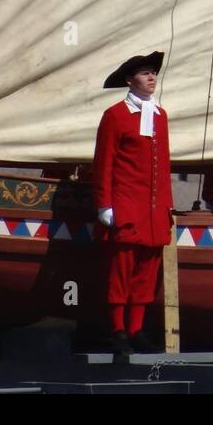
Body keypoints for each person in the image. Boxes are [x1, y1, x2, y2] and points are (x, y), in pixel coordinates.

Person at [93, 50, 173, 355]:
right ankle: (117, 331)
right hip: (126, 205)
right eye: (144, 73)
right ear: (130, 80)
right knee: (121, 272)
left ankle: (136, 330)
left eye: (154, 72)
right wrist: (105, 204)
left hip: (153, 210)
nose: (152, 77)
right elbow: (104, 162)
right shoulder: (115, 115)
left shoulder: (160, 115)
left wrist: (165, 205)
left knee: (146, 272)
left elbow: (162, 165)